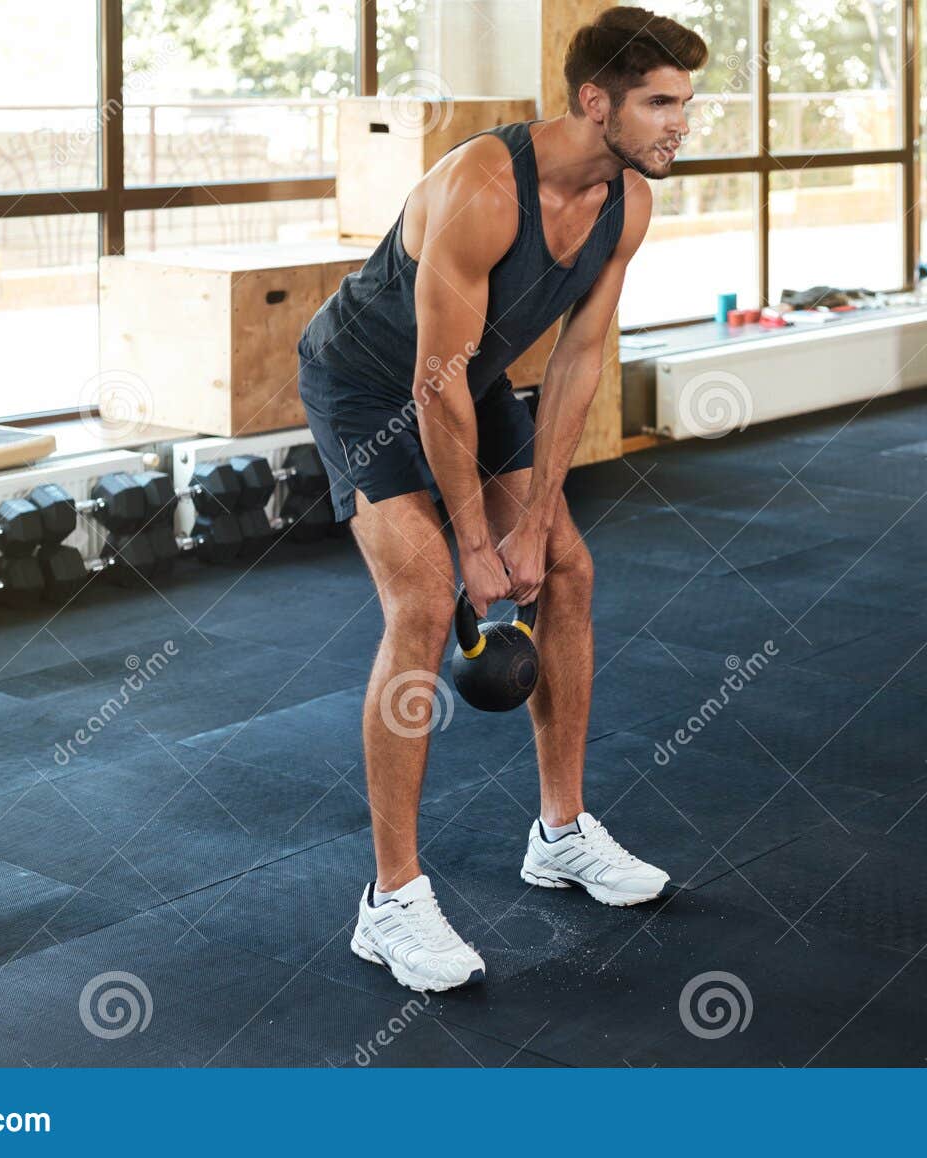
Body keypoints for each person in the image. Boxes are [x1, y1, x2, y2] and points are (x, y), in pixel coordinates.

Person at [298, 7, 707, 993]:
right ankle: (390, 899)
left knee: (566, 566)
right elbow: (428, 385)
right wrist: (478, 543)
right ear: (593, 100)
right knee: (431, 594)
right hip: (366, 381)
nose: (678, 127)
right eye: (659, 103)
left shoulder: (626, 207)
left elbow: (575, 363)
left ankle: (559, 834)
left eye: (686, 106)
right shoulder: (484, 186)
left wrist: (532, 523)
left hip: (467, 378)